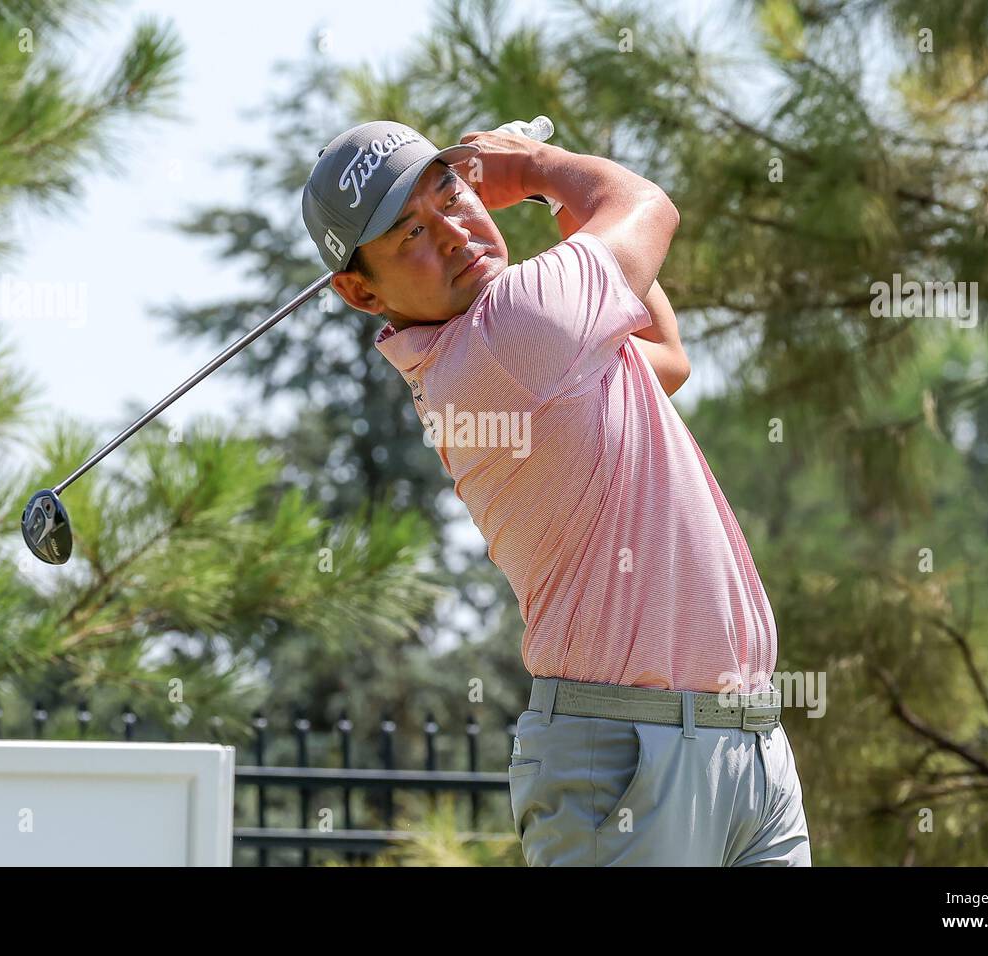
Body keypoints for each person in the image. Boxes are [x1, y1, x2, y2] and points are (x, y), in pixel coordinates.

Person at [301, 119, 811, 866]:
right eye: (409, 231)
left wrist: (554, 199)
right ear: (357, 289)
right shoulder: (509, 331)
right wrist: (539, 167)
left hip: (748, 744)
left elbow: (665, 361)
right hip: (630, 759)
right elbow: (647, 206)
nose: (451, 231)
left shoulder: (524, 334)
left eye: (451, 191)